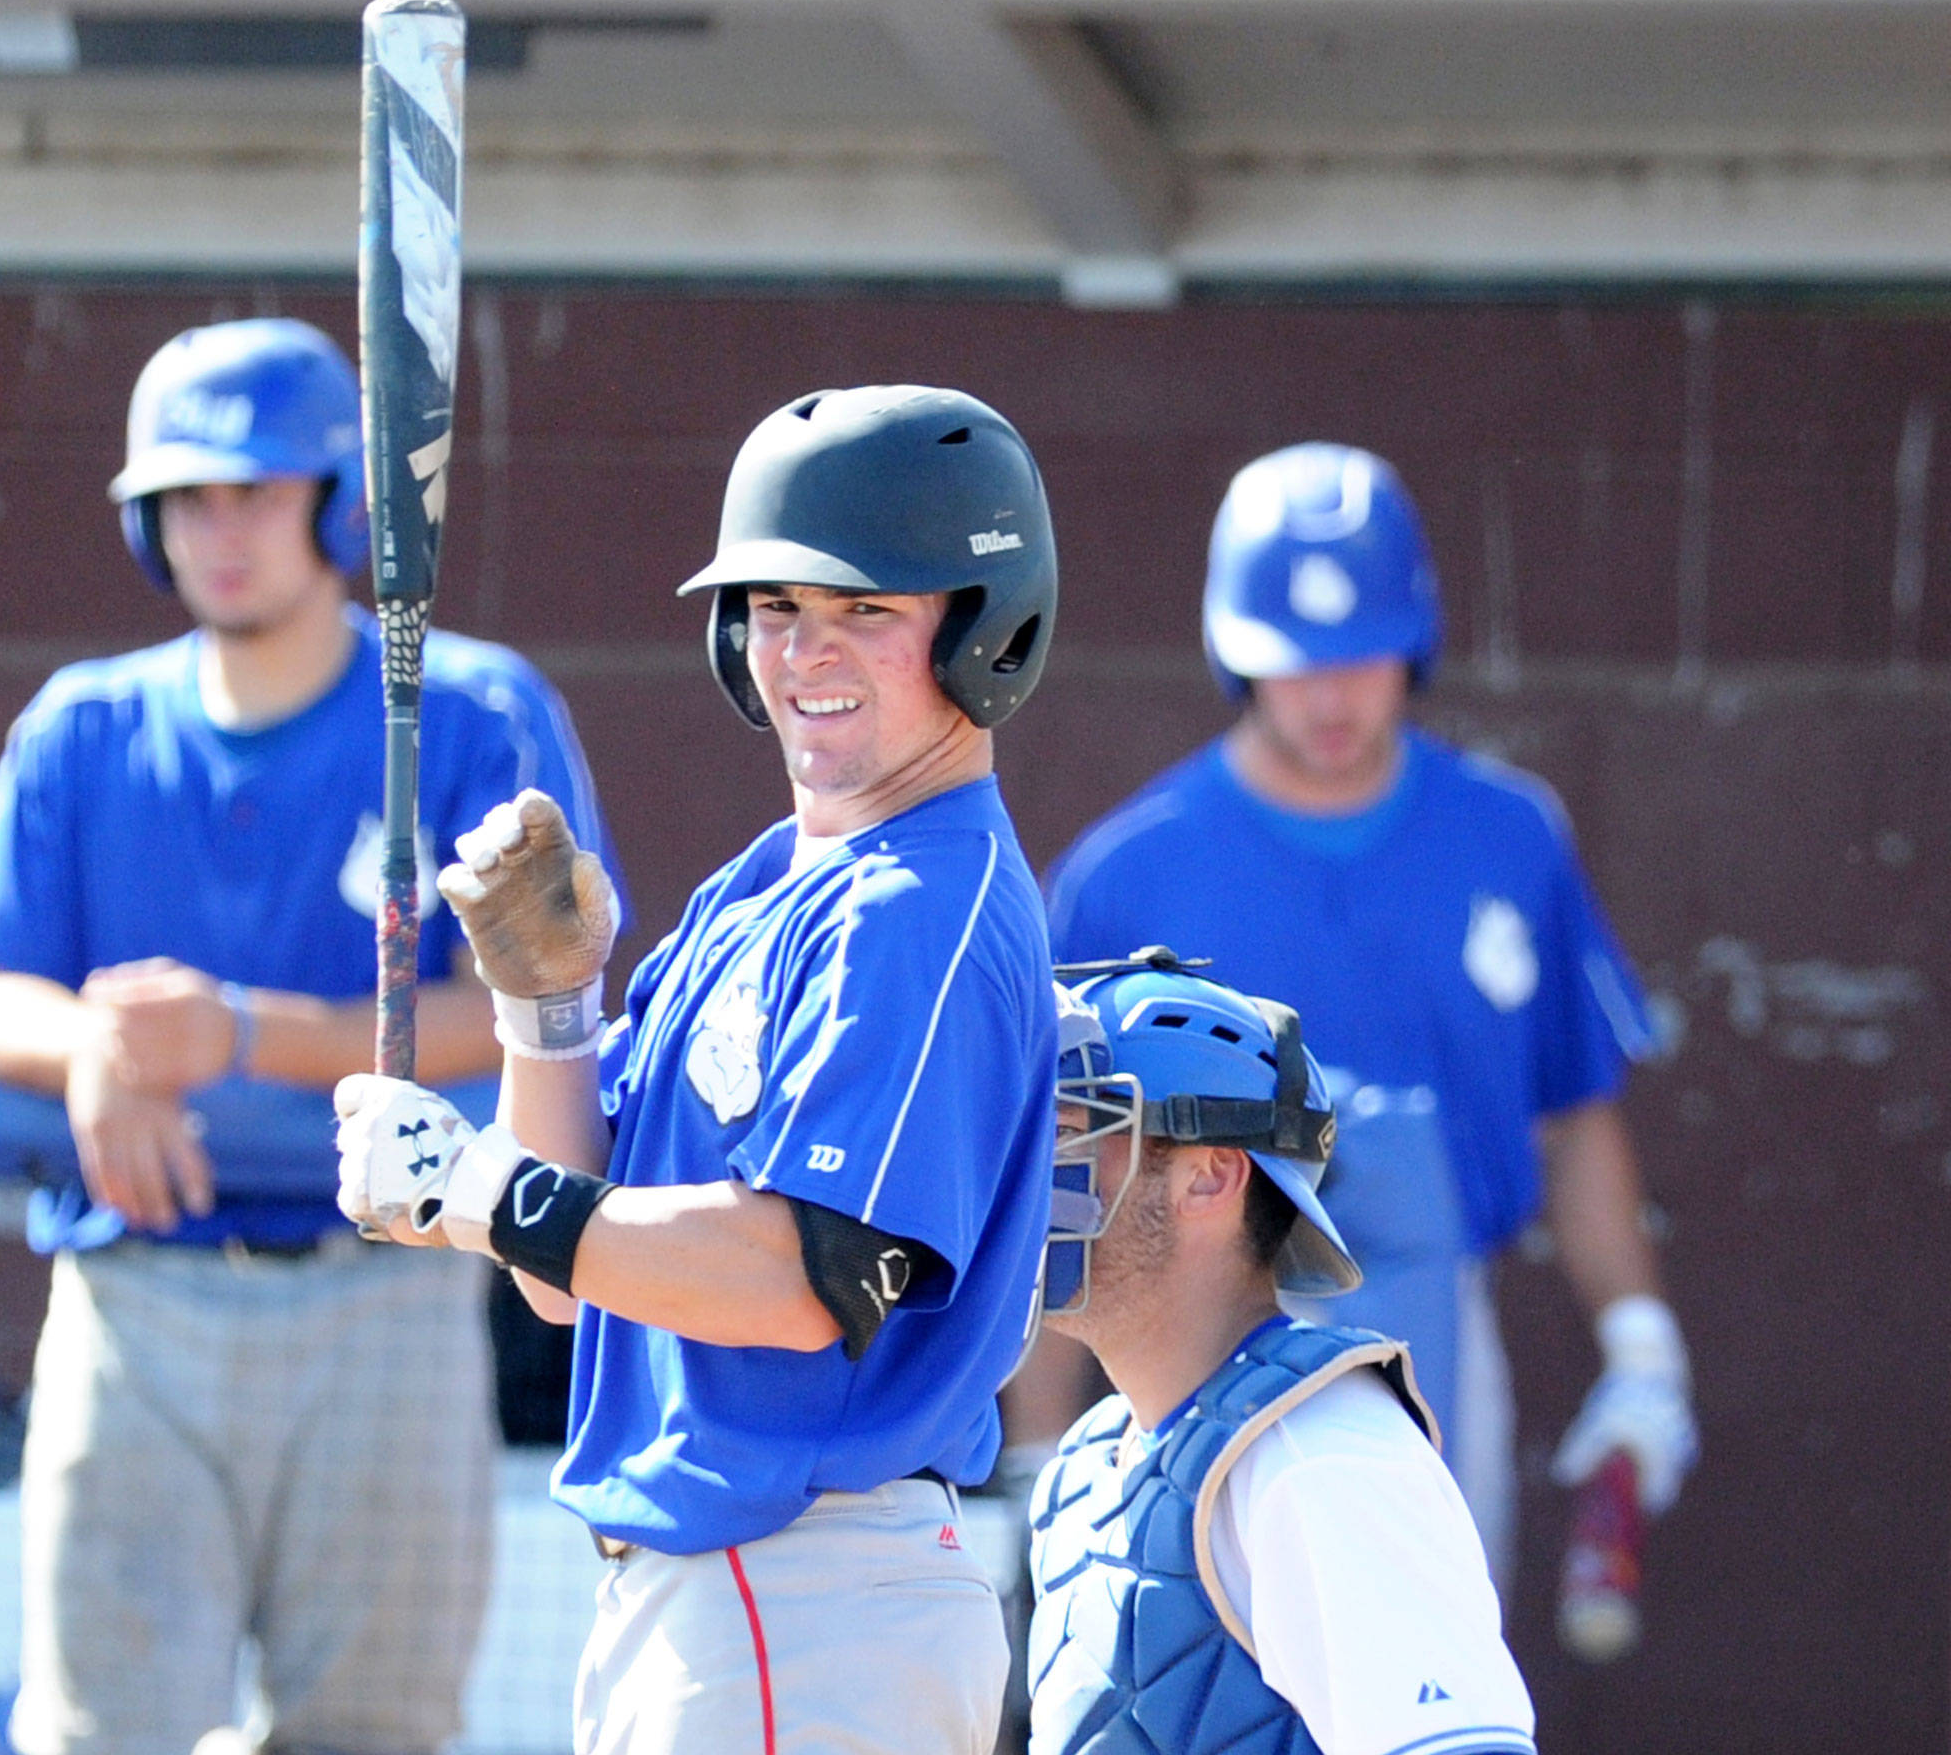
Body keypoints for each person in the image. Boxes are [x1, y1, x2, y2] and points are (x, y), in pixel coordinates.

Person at [336, 384, 1060, 1755]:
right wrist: (546, 1014)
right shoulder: (765, 883)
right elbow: (569, 1274)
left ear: (983, 627)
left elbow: (797, 1282)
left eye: (866, 609)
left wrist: (473, 1189)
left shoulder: (921, 903)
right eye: (776, 607)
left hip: (810, 1587)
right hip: (718, 1601)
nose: (806, 650)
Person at [0, 317, 620, 1755]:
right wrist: (98, 1050)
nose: (220, 531)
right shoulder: (81, 727)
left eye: (254, 491)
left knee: (369, 1735)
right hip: (137, 1291)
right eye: (186, 498)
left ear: (340, 502)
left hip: (394, 1283)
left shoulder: (472, 711)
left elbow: (540, 1012)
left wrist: (239, 1035)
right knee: (101, 1736)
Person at [1041, 442, 1695, 1577]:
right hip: (1186, 1352)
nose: (1331, 695)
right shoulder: (1125, 875)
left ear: (1415, 644)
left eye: (1362, 656)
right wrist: (1033, 1450)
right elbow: (1056, 1169)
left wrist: (1644, 1349)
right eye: (1295, 663)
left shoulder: (1509, 835)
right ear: (1236, 653)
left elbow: (1576, 1114)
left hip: (1439, 1337)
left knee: (1430, 1664)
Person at [1027, 950, 1535, 1755]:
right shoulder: (1086, 1467)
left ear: (1208, 1178)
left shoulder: (1322, 1452)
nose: (1021, 1184)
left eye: (1064, 1135)